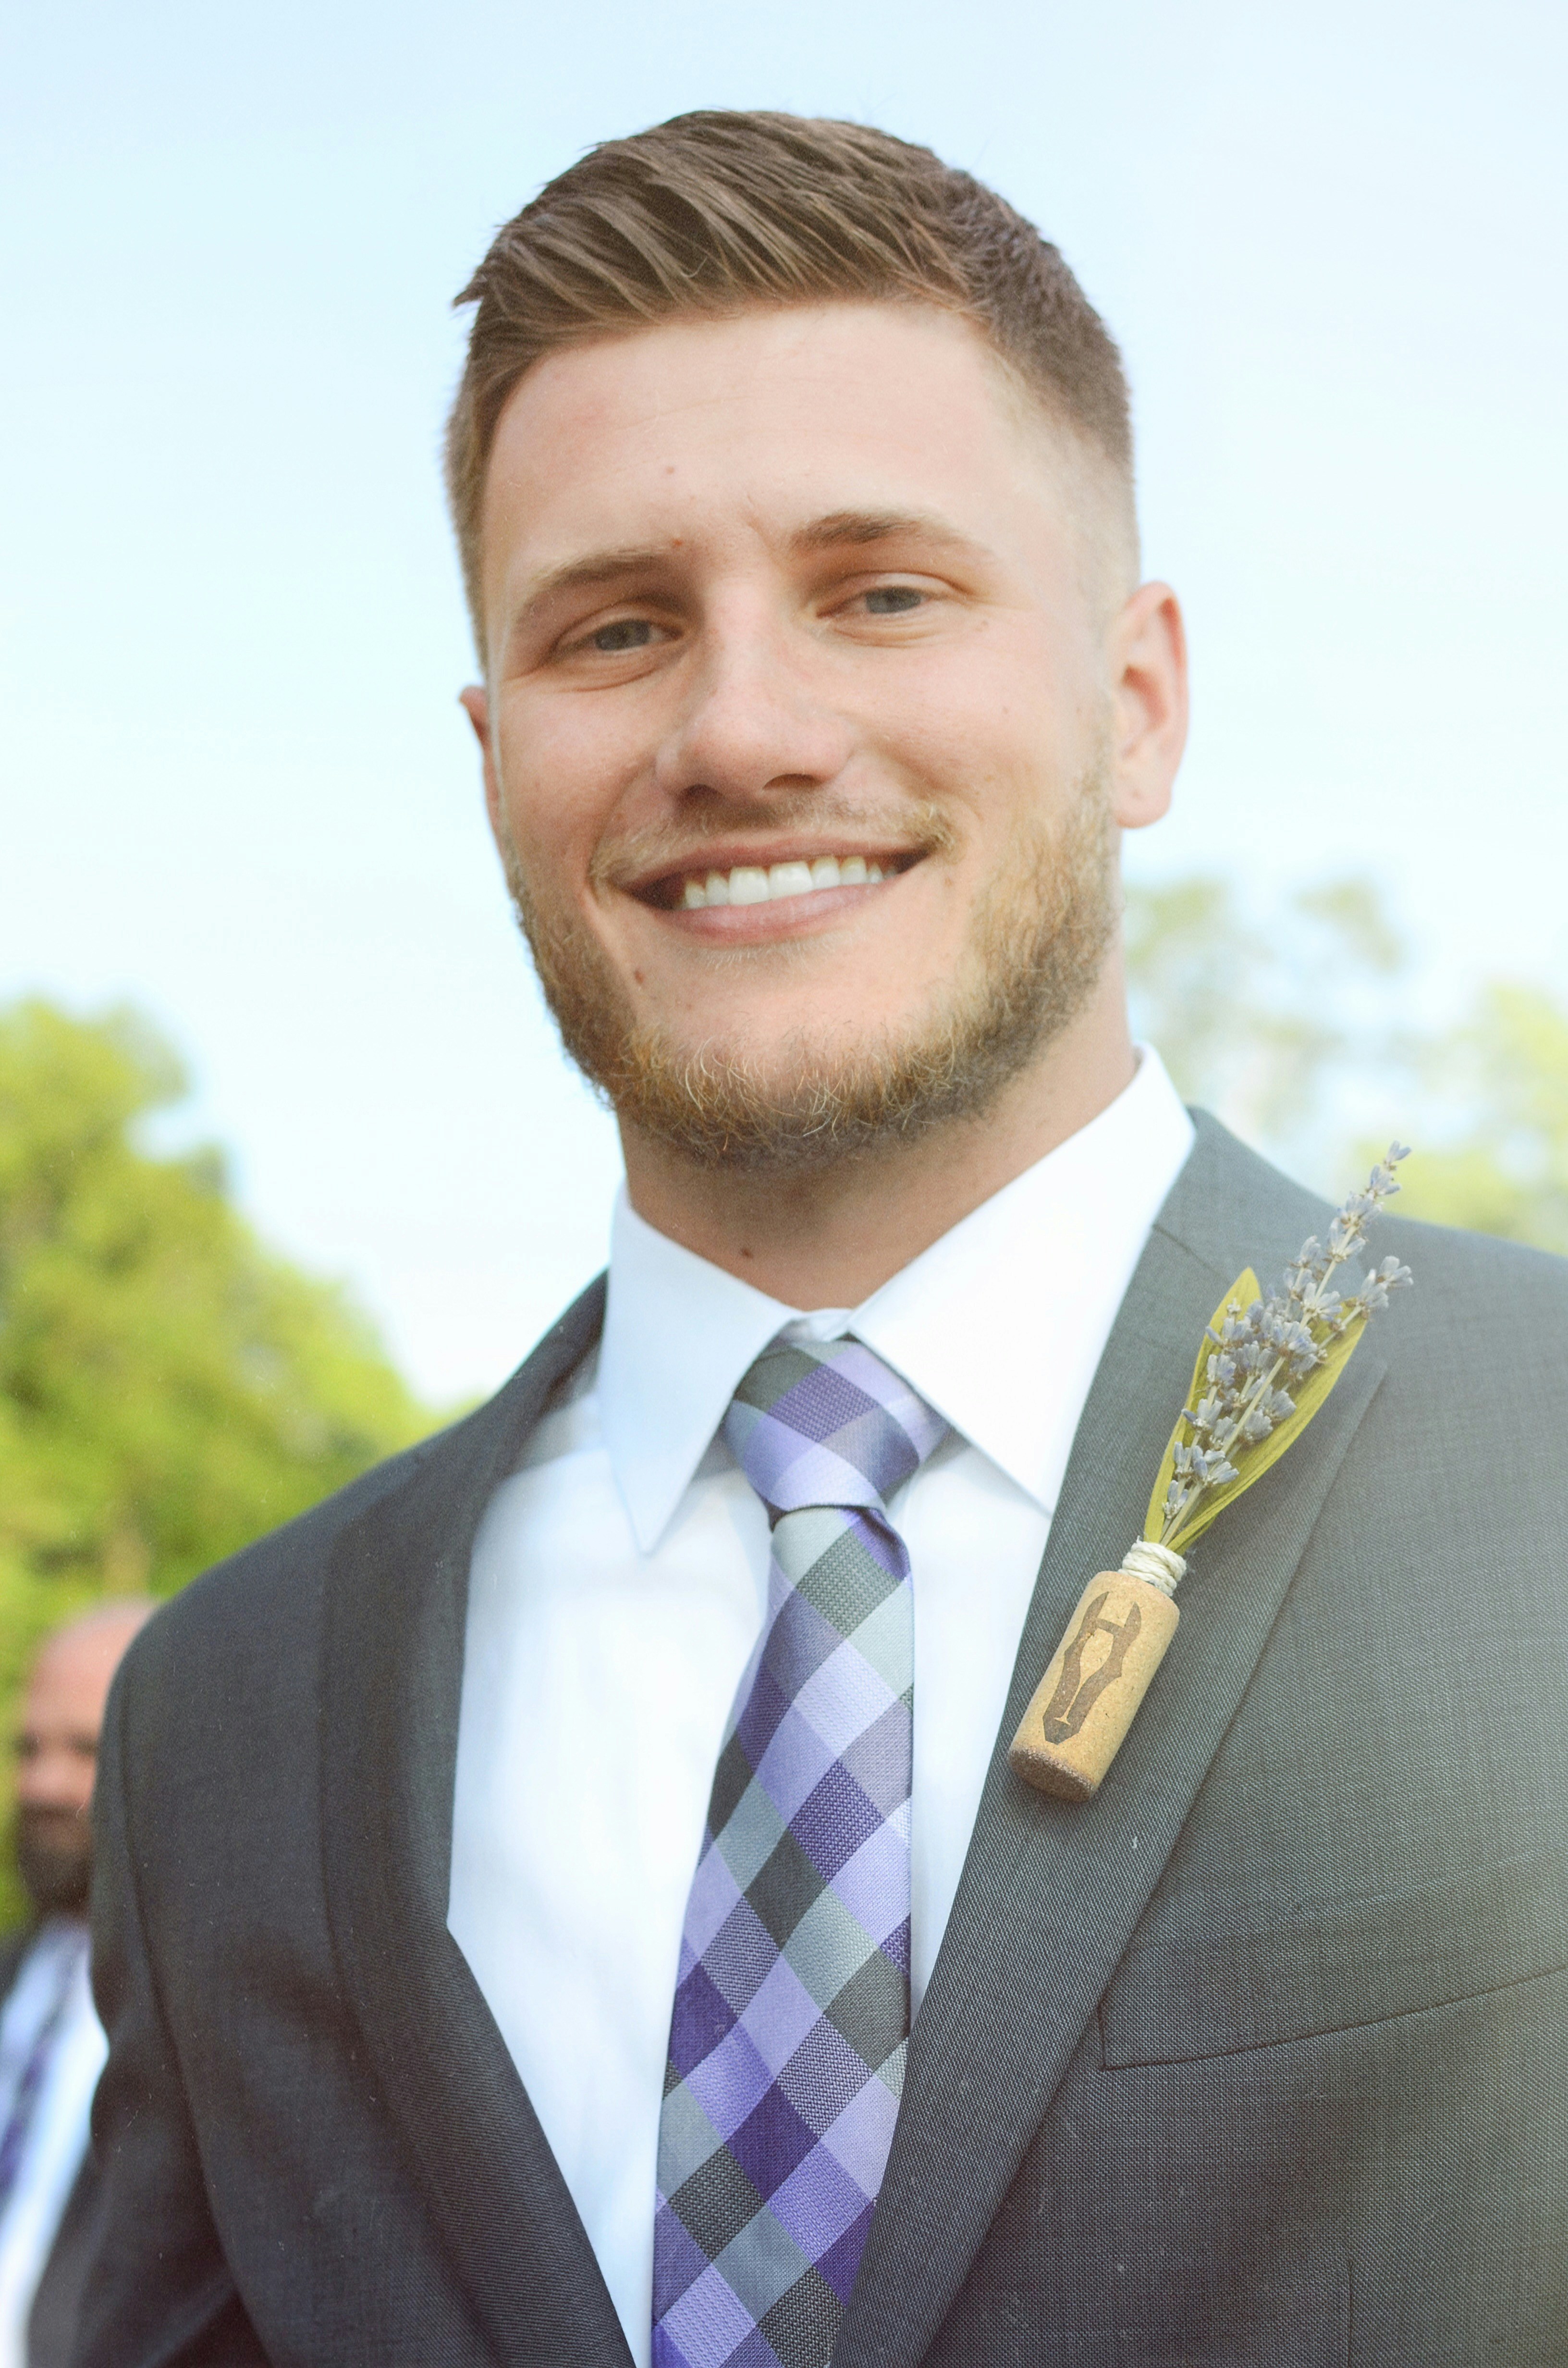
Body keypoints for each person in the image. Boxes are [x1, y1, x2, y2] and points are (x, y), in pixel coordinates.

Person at [76, 113, 1568, 2368]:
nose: (744, 729)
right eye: (616, 627)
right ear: (496, 751)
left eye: (884, 590)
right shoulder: (232, 1713)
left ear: (1140, 700)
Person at [0, 1605, 149, 2368]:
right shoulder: (14, 1975)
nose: (43, 1784)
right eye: (28, 1749)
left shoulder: (220, 2020)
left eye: (85, 1749)